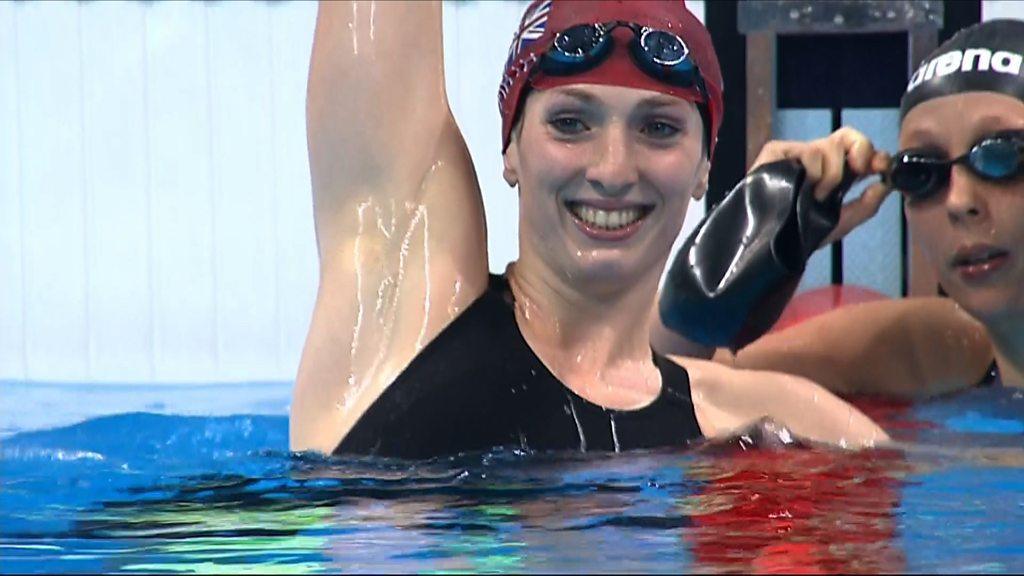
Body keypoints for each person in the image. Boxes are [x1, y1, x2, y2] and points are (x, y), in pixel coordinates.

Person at [290, 0, 890, 458]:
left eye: (658, 129)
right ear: (512, 149)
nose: (612, 170)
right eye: (571, 122)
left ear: (706, 164)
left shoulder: (777, 424)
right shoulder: (404, 323)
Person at [657, 19, 1021, 397]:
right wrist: (754, 226)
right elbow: (648, 385)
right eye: (921, 172)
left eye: (1001, 156)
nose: (959, 202)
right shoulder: (945, 350)